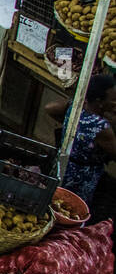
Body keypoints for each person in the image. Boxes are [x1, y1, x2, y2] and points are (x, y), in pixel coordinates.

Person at [46, 74, 116, 206]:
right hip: (82, 179)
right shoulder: (101, 127)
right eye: (113, 100)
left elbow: (49, 107)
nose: (115, 102)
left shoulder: (75, 107)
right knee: (71, 210)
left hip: (61, 166)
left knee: (52, 203)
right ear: (99, 101)